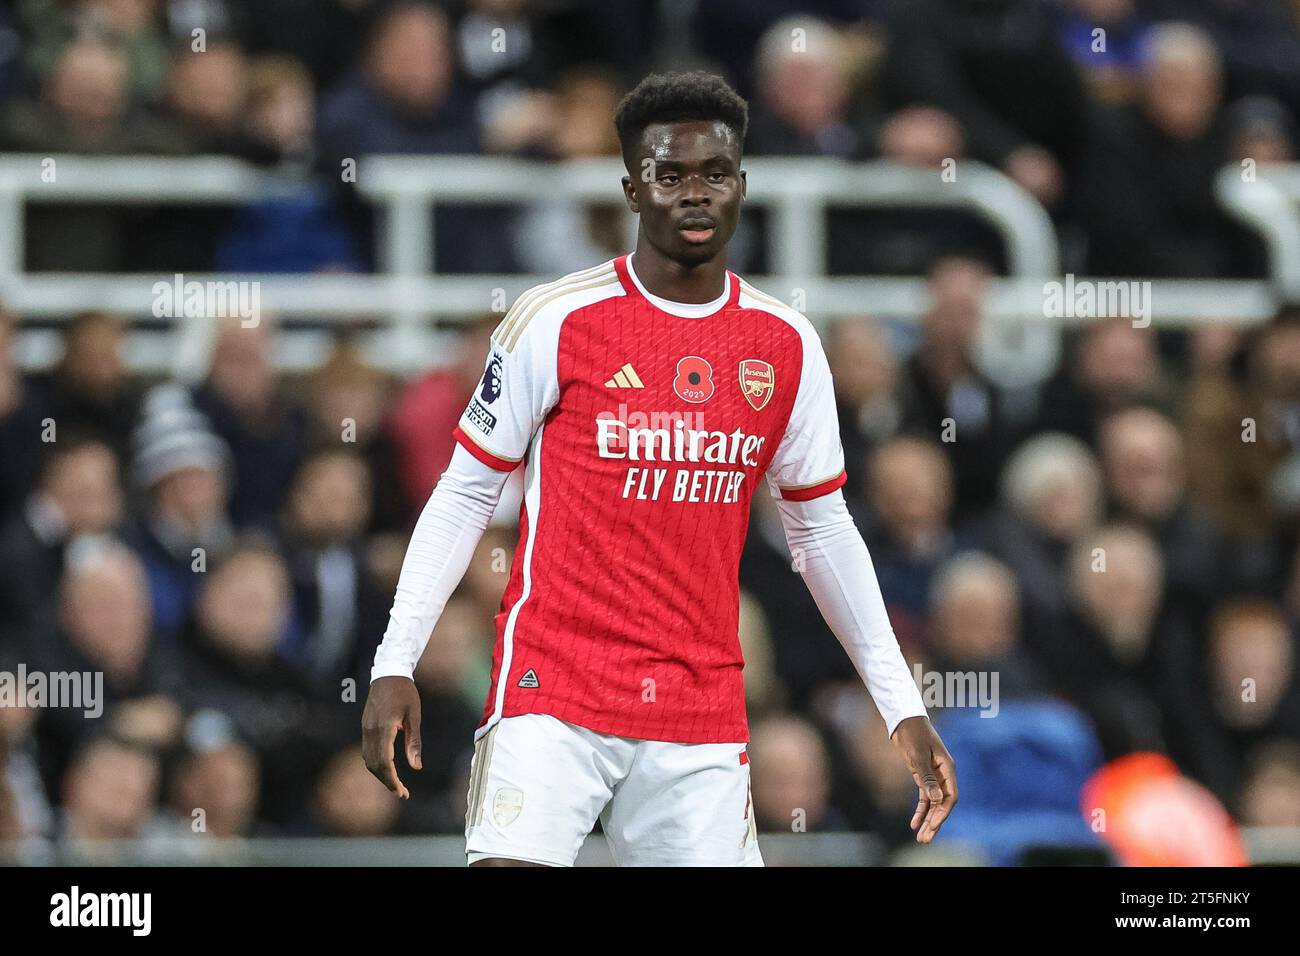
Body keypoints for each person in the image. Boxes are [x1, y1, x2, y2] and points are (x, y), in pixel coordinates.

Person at [362, 71, 956, 867]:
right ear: (632, 191)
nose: (695, 193)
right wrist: (395, 660)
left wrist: (900, 705)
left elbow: (821, 533)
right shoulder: (555, 319)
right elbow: (466, 493)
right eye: (669, 175)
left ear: (741, 185)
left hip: (699, 707)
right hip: (554, 689)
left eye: (715, 173)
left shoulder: (786, 345)